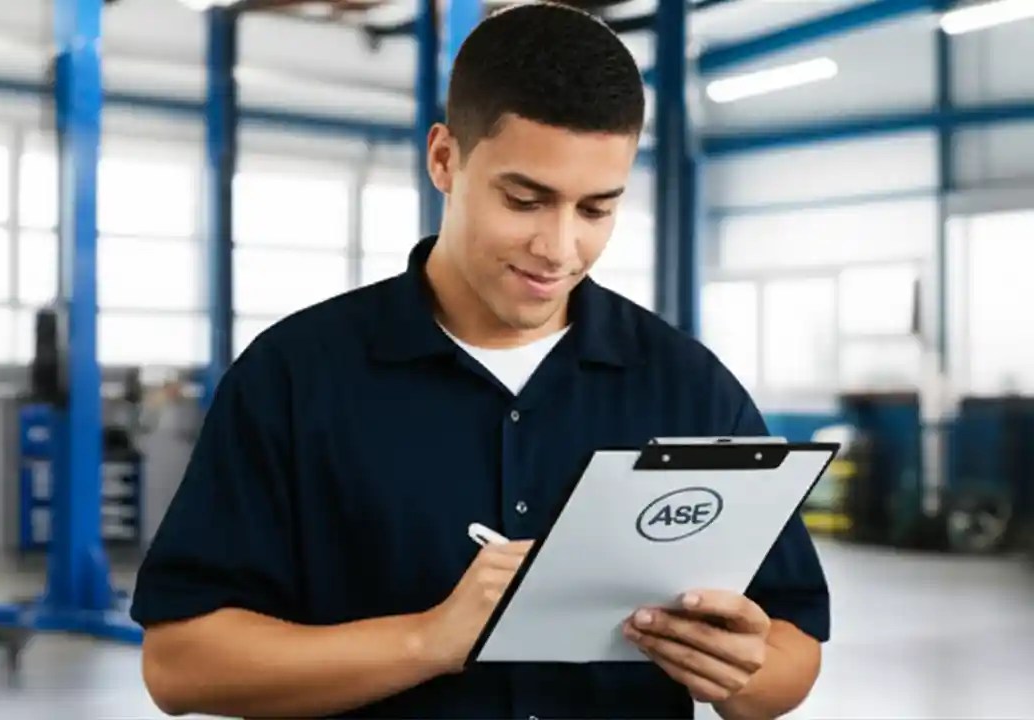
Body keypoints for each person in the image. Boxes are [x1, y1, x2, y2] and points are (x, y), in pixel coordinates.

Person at [131, 3, 829, 718]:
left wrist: (744, 675)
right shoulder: (296, 377)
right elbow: (181, 664)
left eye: (596, 211)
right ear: (445, 159)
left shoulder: (688, 386)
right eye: (525, 200)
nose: (558, 248)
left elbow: (792, 649)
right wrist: (429, 640)